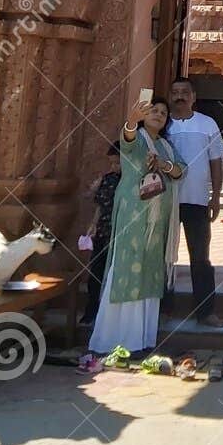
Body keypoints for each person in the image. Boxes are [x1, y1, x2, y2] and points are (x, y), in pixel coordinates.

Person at [89, 96, 185, 356]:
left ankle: (141, 339)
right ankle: (115, 339)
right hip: (133, 215)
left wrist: (164, 164)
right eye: (154, 110)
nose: (159, 114)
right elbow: (127, 141)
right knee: (128, 268)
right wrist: (132, 121)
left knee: (149, 272)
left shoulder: (165, 145)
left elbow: (180, 171)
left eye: (163, 113)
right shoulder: (137, 137)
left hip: (157, 221)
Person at [164, 76, 223, 327]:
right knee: (162, 257)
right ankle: (162, 309)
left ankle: (205, 311)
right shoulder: (161, 123)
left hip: (197, 201)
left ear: (193, 97)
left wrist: (216, 196)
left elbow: (216, 160)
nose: (180, 96)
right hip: (164, 201)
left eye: (185, 92)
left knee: (200, 257)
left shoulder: (207, 124)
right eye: (175, 92)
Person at [81, 141, 121, 324]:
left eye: (118, 163)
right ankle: (91, 309)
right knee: (96, 271)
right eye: (112, 163)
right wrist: (93, 223)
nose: (114, 167)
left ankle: (112, 315)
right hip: (104, 231)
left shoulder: (133, 180)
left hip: (121, 233)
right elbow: (100, 204)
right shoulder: (108, 179)